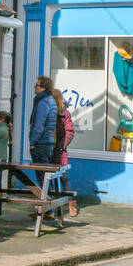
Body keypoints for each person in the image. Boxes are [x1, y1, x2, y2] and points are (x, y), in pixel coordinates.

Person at [52, 88, 78, 218]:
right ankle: (52, 205)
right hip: (50, 149)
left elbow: (70, 131)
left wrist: (63, 145)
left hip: (60, 149)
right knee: (49, 178)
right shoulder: (49, 112)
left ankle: (71, 204)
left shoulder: (64, 113)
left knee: (64, 178)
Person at [28, 76, 57, 165]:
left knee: (41, 173)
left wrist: (33, 142)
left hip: (41, 143)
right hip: (48, 141)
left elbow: (39, 125)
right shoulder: (51, 100)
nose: (34, 87)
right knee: (46, 173)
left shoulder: (43, 103)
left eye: (37, 85)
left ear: (43, 88)